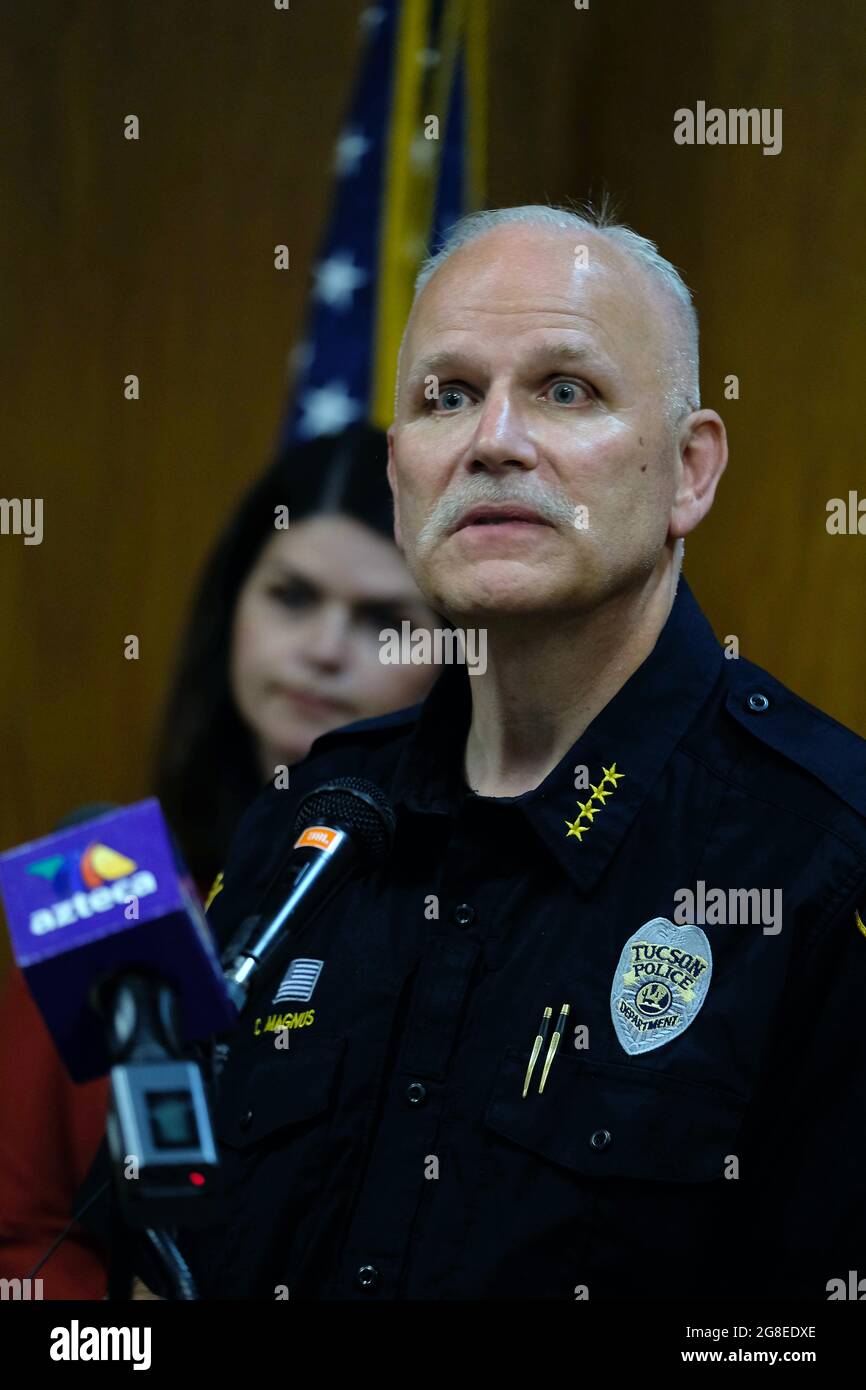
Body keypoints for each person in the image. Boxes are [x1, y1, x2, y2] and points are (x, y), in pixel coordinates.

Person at [88, 203, 866, 1301]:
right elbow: (143, 1255)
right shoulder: (310, 819)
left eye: (565, 389)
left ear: (690, 472)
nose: (493, 438)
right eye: (445, 397)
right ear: (402, 471)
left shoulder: (820, 858)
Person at [0, 423, 438, 1298]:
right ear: (232, 607)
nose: (322, 646)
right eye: (291, 596)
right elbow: (23, 1228)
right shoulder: (103, 873)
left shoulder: (458, 920)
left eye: (384, 621)